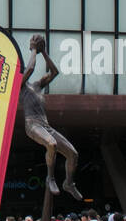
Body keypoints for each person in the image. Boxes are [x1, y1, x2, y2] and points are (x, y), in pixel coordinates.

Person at [21, 34, 81, 200]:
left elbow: (54, 72)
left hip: (45, 125)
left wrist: (44, 52)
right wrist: (34, 49)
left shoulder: (36, 85)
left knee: (73, 154)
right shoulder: (19, 85)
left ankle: (68, 183)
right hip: (32, 125)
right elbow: (31, 68)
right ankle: (50, 177)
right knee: (51, 144)